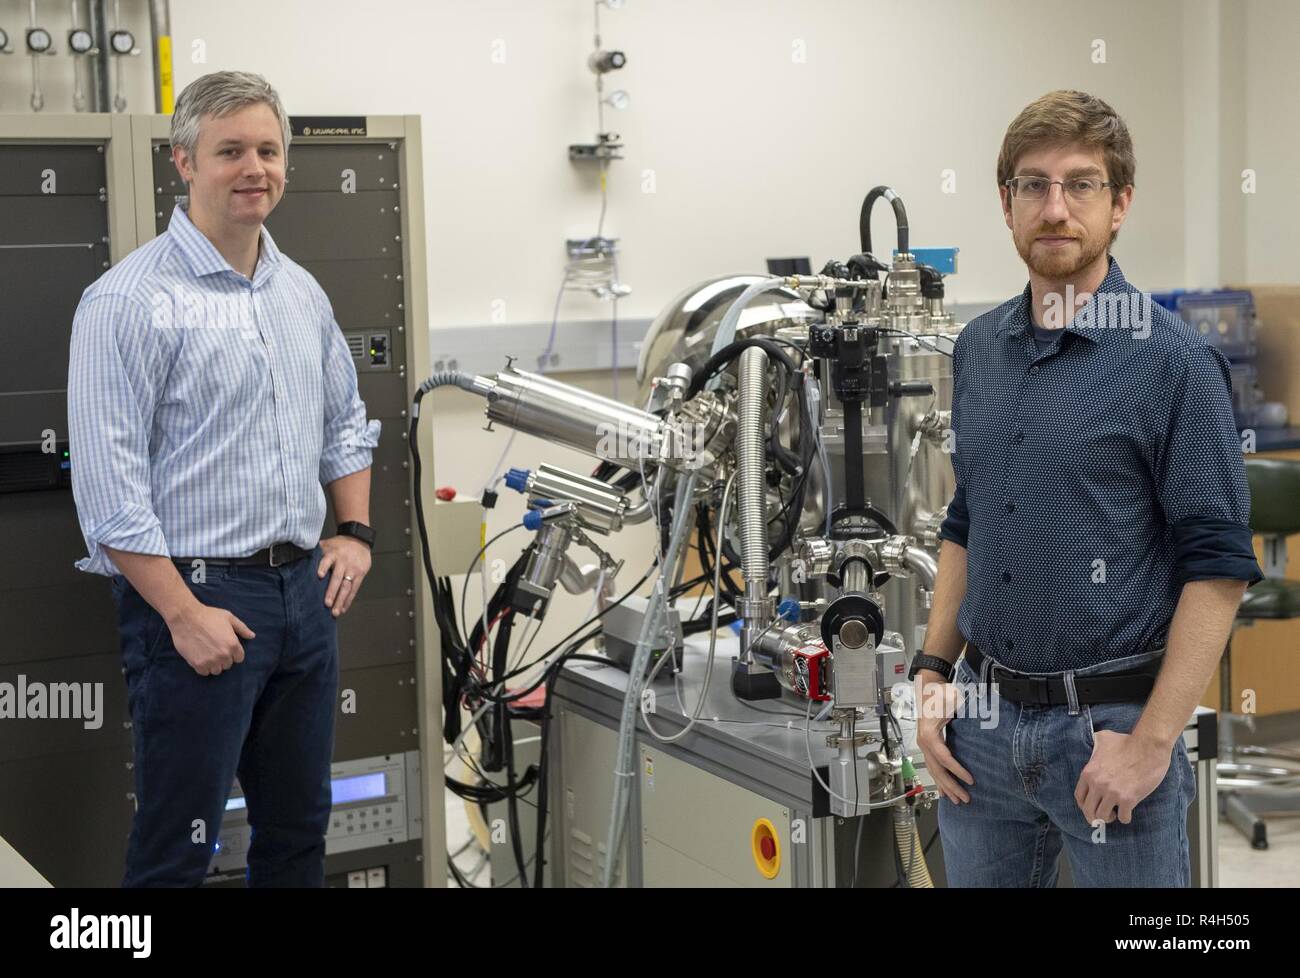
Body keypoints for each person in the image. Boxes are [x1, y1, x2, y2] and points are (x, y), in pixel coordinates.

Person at [909, 90, 1261, 887]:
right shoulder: (977, 348)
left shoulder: (1172, 361)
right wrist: (931, 674)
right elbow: (967, 517)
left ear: (1120, 203)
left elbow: (1218, 568)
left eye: (1081, 184)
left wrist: (1152, 742)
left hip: (1110, 732)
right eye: (1033, 185)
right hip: (979, 734)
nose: (1055, 208)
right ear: (1006, 203)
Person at [68, 71, 380, 887]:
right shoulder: (127, 302)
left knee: (298, 835)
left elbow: (345, 423)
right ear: (183, 161)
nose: (255, 169)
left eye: (269, 151)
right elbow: (109, 493)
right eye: (230, 151)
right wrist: (182, 614)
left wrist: (353, 533)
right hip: (198, 600)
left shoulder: (299, 292)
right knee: (176, 850)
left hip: (302, 599)